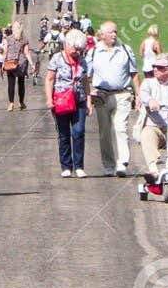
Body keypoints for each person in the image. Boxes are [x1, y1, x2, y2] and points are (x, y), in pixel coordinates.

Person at [90, 20, 138, 176]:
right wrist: (89, 94)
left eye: (116, 32)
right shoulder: (93, 51)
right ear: (102, 34)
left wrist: (138, 95)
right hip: (101, 95)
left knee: (120, 128)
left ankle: (122, 162)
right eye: (111, 32)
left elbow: (134, 74)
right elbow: (86, 75)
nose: (114, 35)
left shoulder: (125, 49)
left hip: (122, 94)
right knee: (104, 132)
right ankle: (109, 165)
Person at [47, 28, 91, 178]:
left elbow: (85, 81)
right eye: (75, 48)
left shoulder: (82, 60)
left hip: (79, 101)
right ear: (66, 44)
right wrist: (49, 99)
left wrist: (89, 101)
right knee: (64, 133)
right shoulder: (57, 59)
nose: (77, 52)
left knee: (78, 132)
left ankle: (79, 166)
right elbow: (49, 79)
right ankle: (66, 166)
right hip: (61, 101)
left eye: (80, 49)